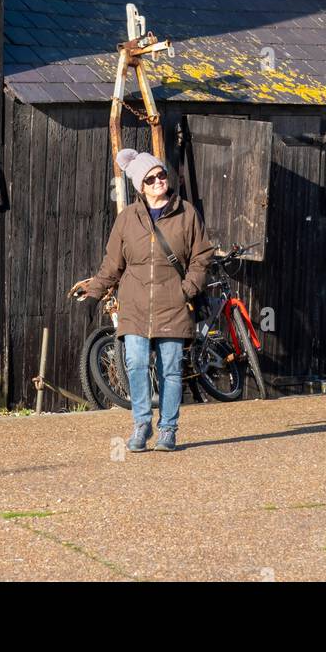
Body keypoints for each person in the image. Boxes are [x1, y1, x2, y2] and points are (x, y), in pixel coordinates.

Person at [73, 147, 214, 452]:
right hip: (135, 305)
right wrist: (95, 290)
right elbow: (113, 264)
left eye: (161, 174)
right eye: (150, 179)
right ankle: (141, 423)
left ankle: (168, 429)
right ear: (140, 187)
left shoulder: (186, 213)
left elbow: (202, 255)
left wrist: (187, 289)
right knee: (135, 363)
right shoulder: (127, 219)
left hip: (173, 304)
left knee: (171, 369)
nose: (158, 181)